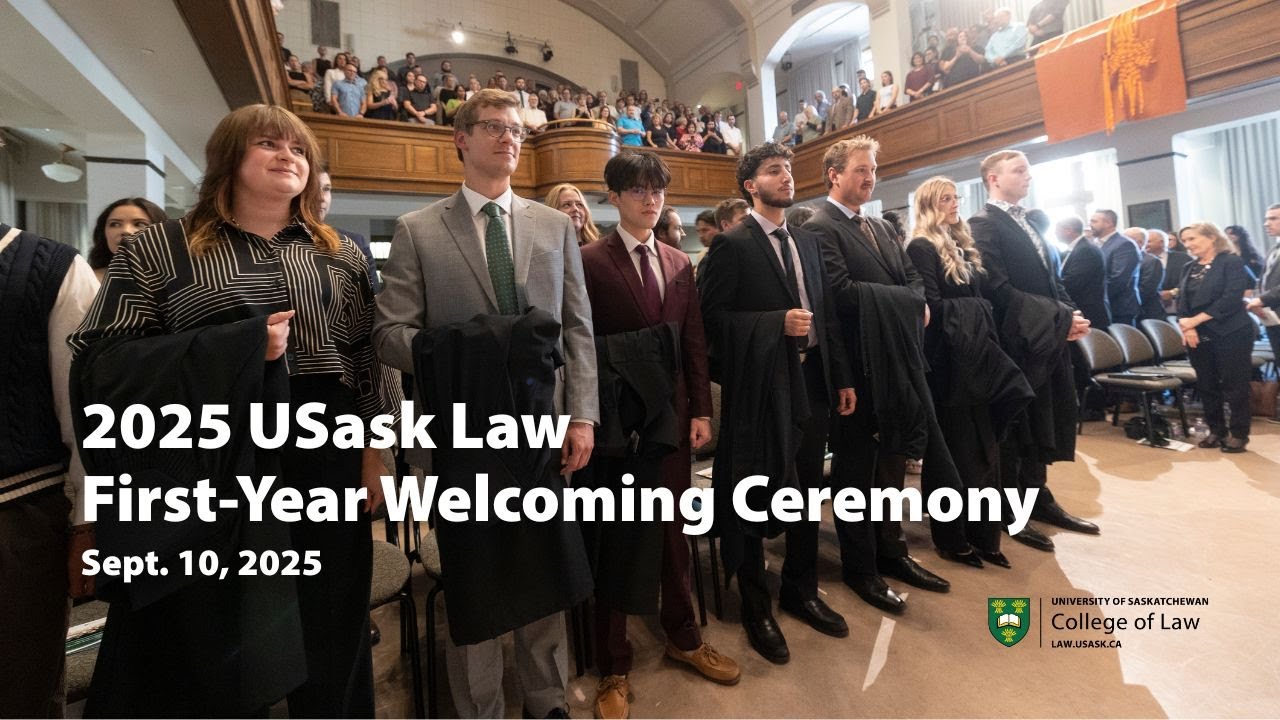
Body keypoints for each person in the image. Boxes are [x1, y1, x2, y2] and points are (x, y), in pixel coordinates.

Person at [69, 104, 397, 716]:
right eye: (268, 143)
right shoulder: (161, 248)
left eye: (299, 150)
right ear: (228, 157)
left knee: (331, 607)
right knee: (218, 617)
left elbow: (367, 358)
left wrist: (377, 450)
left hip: (324, 440)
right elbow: (102, 360)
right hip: (213, 449)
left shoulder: (341, 254)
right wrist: (238, 348)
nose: (288, 156)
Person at [372, 89, 597, 719]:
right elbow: (389, 335)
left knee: (544, 573)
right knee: (475, 583)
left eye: (516, 130)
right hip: (463, 436)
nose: (508, 138)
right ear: (461, 139)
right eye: (494, 126)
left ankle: (548, 702)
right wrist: (470, 349)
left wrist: (582, 415)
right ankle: (481, 710)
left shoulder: (554, 225)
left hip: (543, 429)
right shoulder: (418, 230)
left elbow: (578, 327)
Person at [579, 153, 740, 719]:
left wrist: (701, 410)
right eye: (638, 190)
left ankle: (684, 636)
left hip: (670, 419)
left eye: (658, 191)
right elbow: (580, 345)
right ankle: (613, 664)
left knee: (673, 534)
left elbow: (693, 342)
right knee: (616, 538)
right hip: (617, 421)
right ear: (614, 197)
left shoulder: (677, 261)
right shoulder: (589, 261)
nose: (651, 200)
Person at [810, 138, 983, 616]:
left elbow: (913, 278)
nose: (870, 178)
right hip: (858, 365)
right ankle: (860, 566)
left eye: (873, 170)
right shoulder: (819, 227)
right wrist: (911, 304)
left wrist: (912, 298)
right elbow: (840, 295)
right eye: (860, 170)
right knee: (855, 472)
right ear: (834, 174)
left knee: (892, 463)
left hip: (897, 360)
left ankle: (893, 550)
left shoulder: (883, 226)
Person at [697, 143, 856, 664]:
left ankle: (800, 589)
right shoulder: (732, 245)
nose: (786, 177)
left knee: (807, 491)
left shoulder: (807, 240)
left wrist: (841, 377)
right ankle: (754, 604)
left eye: (788, 169)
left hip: (813, 381)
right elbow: (710, 325)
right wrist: (773, 324)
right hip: (762, 387)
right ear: (750, 185)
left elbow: (826, 317)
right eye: (773, 171)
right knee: (753, 492)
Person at [968, 150, 1097, 554]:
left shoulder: (1029, 221)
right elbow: (996, 288)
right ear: (993, 178)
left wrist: (1071, 315)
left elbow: (1053, 279)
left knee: (1045, 417)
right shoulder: (983, 223)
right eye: (1019, 170)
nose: (1028, 176)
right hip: (1017, 340)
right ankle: (1011, 509)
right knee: (1016, 426)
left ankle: (1037, 495)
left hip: (1046, 335)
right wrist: (1058, 317)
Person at [905, 177, 1034, 569]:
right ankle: (951, 537)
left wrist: (980, 311)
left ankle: (984, 534)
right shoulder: (921, 246)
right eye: (945, 198)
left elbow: (981, 297)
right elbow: (929, 307)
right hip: (949, 363)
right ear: (929, 204)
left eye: (955, 196)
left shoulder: (961, 243)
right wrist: (980, 310)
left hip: (979, 355)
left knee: (984, 450)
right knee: (953, 454)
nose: (954, 203)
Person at [0, 221, 98, 717]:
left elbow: (87, 418)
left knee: (22, 691)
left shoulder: (52, 267)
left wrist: (87, 523)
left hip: (18, 513)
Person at [1178, 222, 1255, 452]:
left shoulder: (1231, 262)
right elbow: (1183, 302)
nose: (1188, 244)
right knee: (1206, 384)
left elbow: (1231, 298)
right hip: (1198, 335)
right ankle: (1216, 430)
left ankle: (1239, 433)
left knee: (1234, 385)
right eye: (1185, 241)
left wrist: (1195, 321)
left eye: (1192, 239)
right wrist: (1188, 327)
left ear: (1212, 237)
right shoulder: (1189, 267)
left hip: (1231, 331)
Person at [88, 198, 167, 281]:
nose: (126, 231)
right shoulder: (87, 280)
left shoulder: (174, 281)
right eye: (115, 224)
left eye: (139, 224)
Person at [1245, 204, 1280, 392]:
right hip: (1273, 317)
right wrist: (1258, 300)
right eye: (1266, 219)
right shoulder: (1274, 248)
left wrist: (1262, 300)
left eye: (1273, 218)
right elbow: (1263, 281)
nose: (1266, 223)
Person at [1057, 215, 1110, 330]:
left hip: (1089, 312)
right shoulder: (1077, 248)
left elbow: (1073, 281)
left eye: (1057, 229)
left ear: (1068, 230)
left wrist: (1053, 290)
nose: (1055, 233)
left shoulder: (1085, 249)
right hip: (1084, 309)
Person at [1092, 209, 1141, 326]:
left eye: (1094, 221)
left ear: (1108, 223)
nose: (1090, 225)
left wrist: (1094, 297)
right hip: (1102, 306)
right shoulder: (1094, 244)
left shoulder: (1124, 244)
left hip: (1119, 308)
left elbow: (1119, 279)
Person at [1126, 226, 1167, 322]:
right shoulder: (1125, 259)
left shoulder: (1151, 261)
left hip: (1147, 314)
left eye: (1127, 240)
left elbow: (1146, 290)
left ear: (1139, 242)